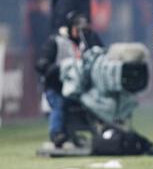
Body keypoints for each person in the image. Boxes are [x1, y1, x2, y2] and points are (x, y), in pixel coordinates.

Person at [35, 13, 103, 147]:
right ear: (70, 28)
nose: (81, 32)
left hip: (79, 90)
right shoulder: (56, 41)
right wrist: (54, 69)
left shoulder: (86, 44)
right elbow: (41, 64)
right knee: (59, 104)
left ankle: (102, 131)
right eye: (78, 28)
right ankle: (57, 134)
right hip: (56, 88)